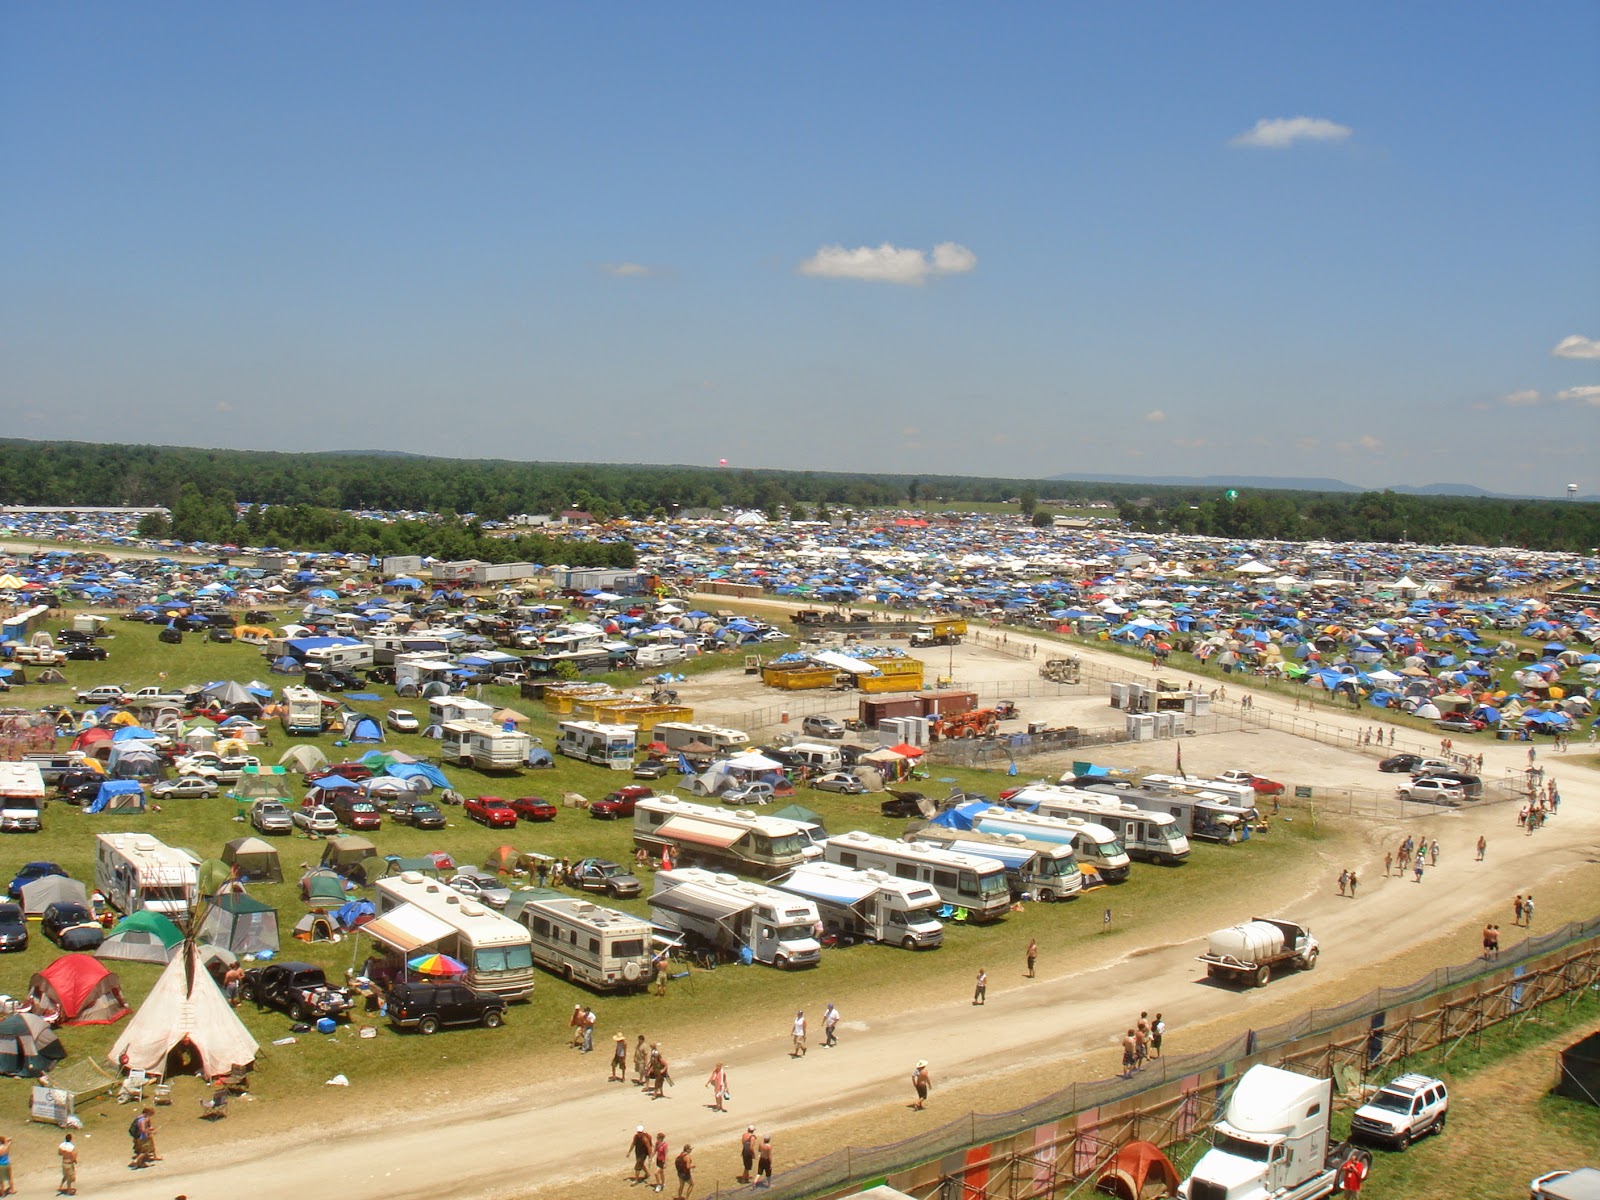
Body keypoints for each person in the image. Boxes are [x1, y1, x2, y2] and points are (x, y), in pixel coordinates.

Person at [0, 1133, 11, 1198]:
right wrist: (7, 1139)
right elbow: (8, 1141)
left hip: (1, 1165)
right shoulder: (6, 1147)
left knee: (1, 1180)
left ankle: (2, 1193)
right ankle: (11, 1189)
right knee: (8, 1178)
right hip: (7, 1163)